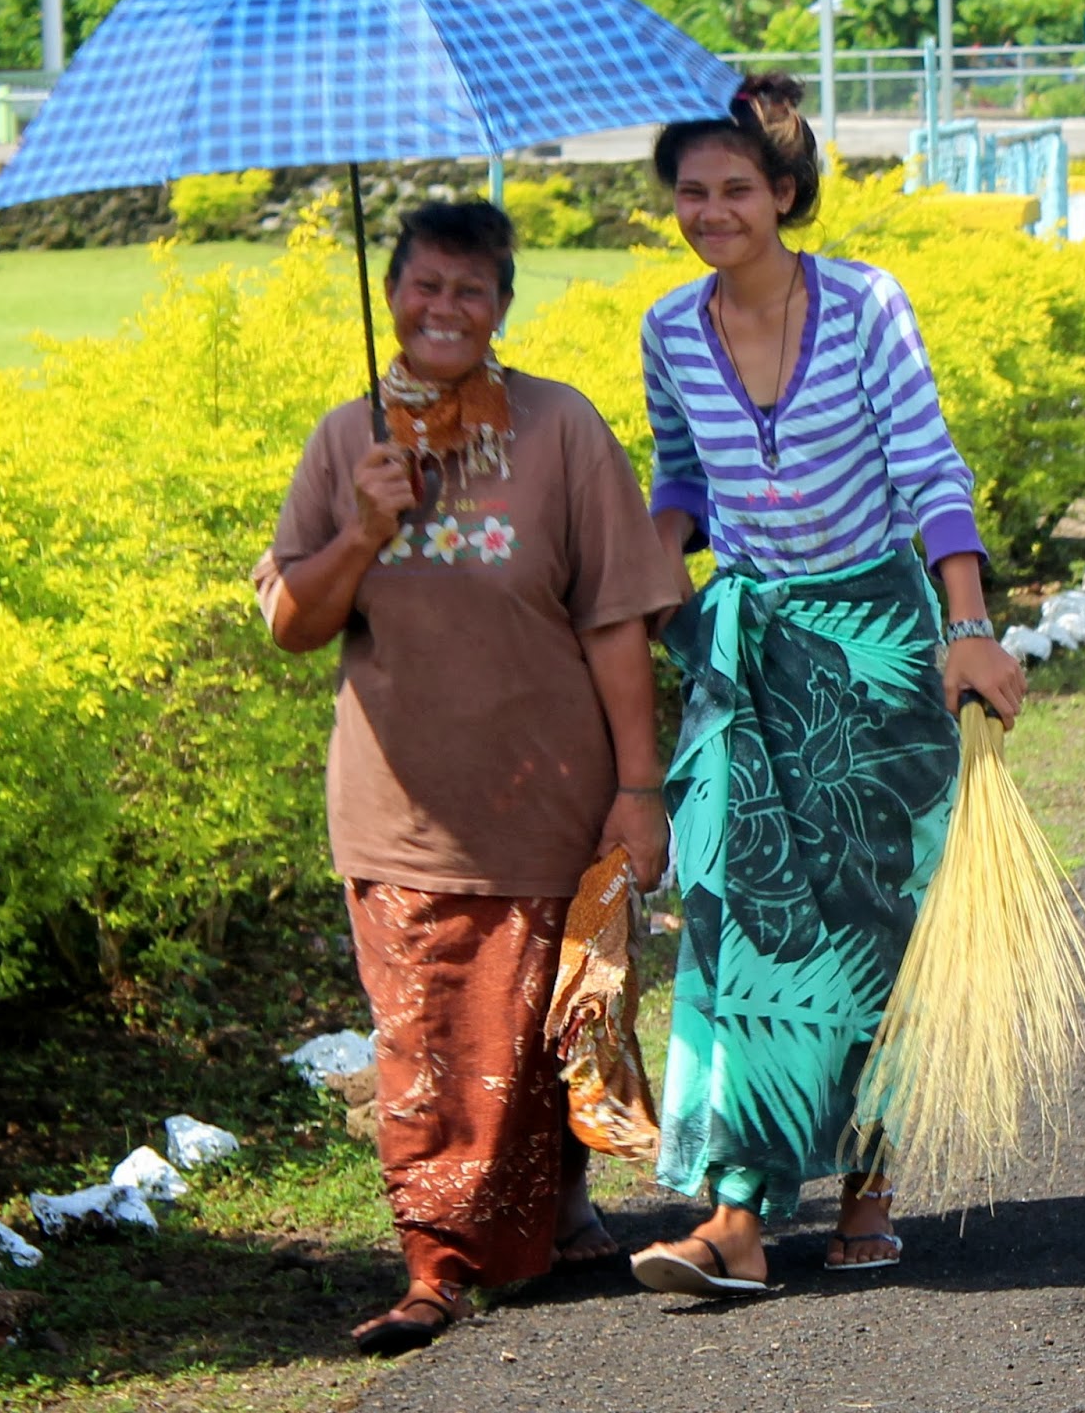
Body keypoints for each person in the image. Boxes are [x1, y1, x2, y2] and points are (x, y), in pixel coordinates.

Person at [253, 200, 679, 1354]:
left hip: (547, 794)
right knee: (426, 1043)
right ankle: (434, 1267)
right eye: (424, 287)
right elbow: (292, 623)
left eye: (469, 291)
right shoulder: (348, 442)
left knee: (543, 1033)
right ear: (390, 294)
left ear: (500, 306)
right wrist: (358, 531)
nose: (444, 309)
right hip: (400, 809)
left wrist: (637, 789)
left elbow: (612, 621)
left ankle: (543, 1222)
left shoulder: (561, 430)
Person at [628, 73, 1027, 1295]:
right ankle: (736, 1208)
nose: (710, 211)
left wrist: (967, 623)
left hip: (881, 651)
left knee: (872, 922)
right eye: (689, 193)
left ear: (784, 193)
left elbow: (927, 467)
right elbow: (682, 474)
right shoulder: (665, 327)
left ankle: (867, 1182)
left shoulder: (863, 303)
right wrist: (646, 566)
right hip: (748, 654)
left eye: (734, 188)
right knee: (736, 908)